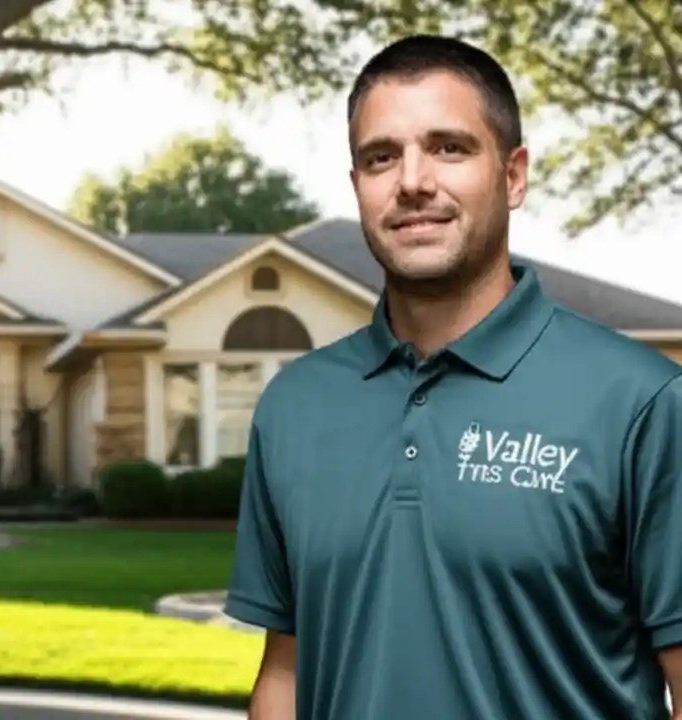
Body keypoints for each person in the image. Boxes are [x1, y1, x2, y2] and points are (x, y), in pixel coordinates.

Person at [224, 34, 682, 719]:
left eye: (449, 148)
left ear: (513, 175)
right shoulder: (295, 406)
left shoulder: (640, 403)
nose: (412, 181)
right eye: (381, 157)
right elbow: (284, 672)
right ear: (358, 188)